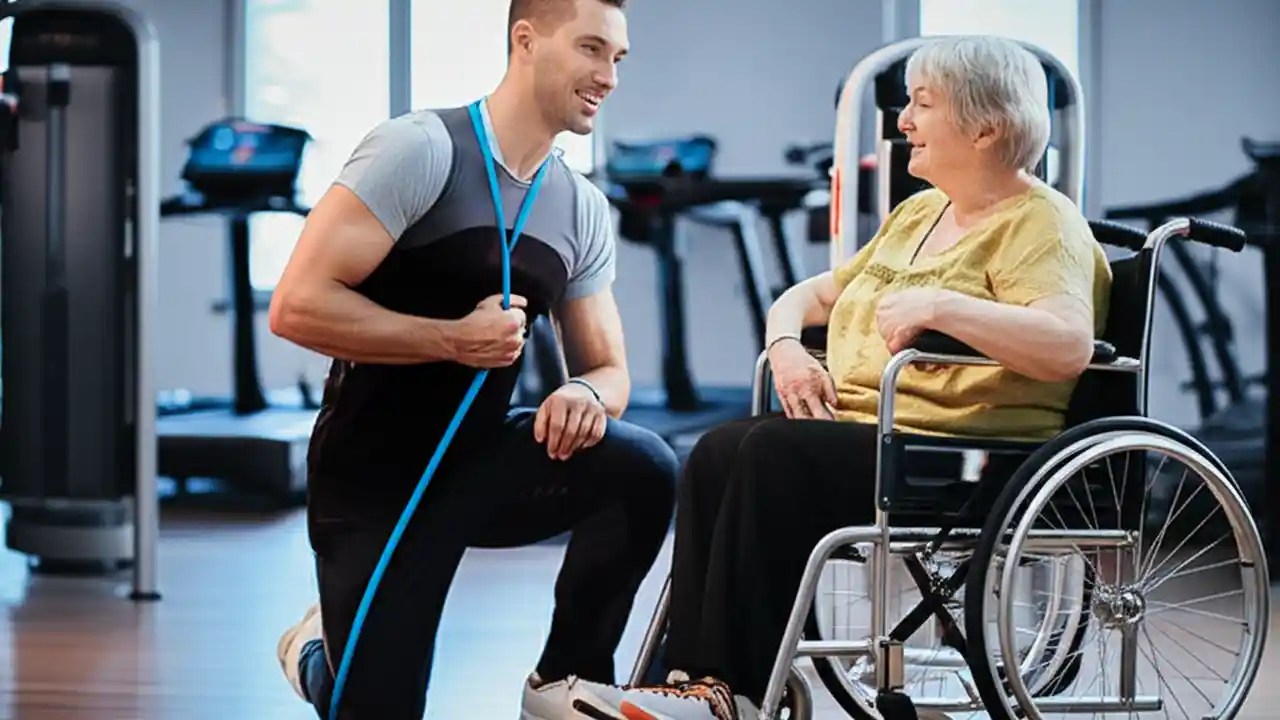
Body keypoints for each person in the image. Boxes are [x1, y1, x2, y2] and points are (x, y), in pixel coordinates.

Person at [569, 35, 1113, 720]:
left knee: (770, 454)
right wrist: (787, 345)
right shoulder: (922, 212)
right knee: (718, 450)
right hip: (877, 435)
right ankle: (685, 683)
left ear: (985, 127)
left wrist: (942, 307)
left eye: (922, 105)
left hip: (966, 454)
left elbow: (1067, 345)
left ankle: (727, 691)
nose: (903, 122)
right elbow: (814, 295)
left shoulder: (1042, 224)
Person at [267, 1, 679, 718]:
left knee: (642, 466)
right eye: (591, 49)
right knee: (375, 706)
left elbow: (609, 370)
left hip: (481, 463)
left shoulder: (578, 206)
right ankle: (316, 652)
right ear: (526, 40)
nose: (609, 76)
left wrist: (585, 393)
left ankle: (566, 684)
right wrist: (450, 339)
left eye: (617, 58)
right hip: (373, 480)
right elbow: (296, 306)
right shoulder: (420, 150)